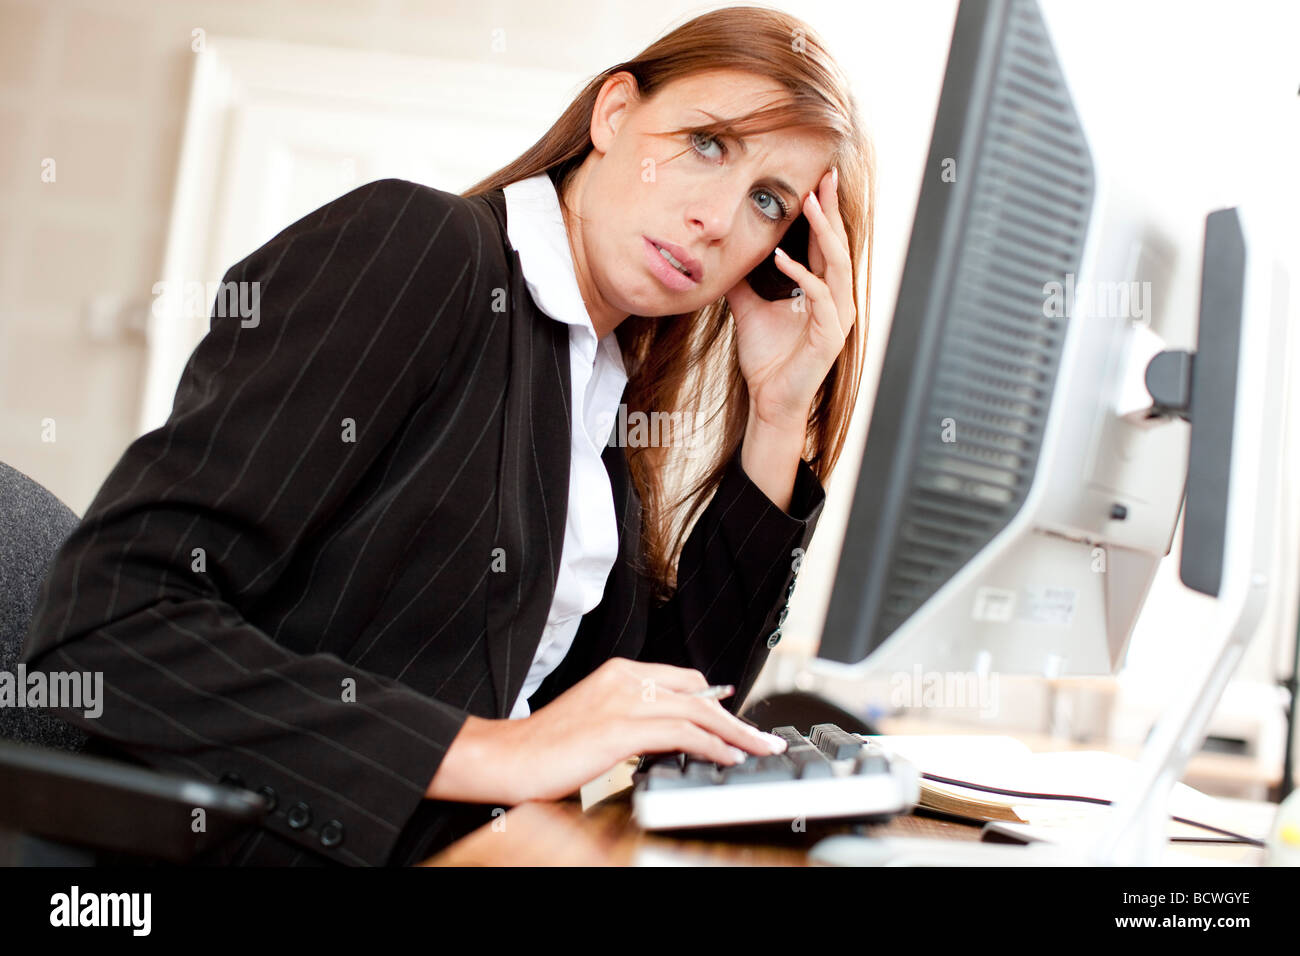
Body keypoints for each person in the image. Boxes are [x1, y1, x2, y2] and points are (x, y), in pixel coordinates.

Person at [22, 5, 874, 866]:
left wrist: (774, 415)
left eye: (768, 201)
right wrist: (498, 755)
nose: (721, 219)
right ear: (613, 113)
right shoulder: (422, 250)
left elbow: (675, 704)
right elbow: (109, 615)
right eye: (707, 143)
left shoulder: (594, 380)